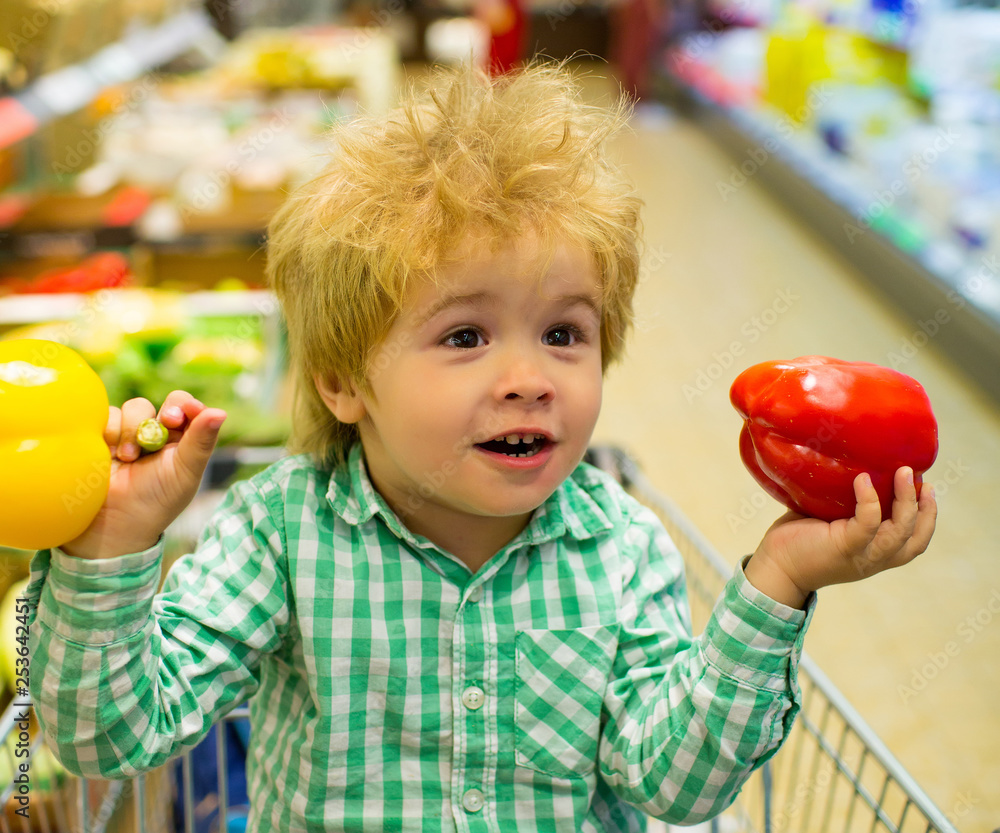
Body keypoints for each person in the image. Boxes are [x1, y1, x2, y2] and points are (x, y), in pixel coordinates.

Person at [26, 62, 936, 832]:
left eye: (565, 334)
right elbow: (112, 739)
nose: (529, 376)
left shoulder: (620, 550)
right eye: (465, 338)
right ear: (343, 382)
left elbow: (677, 783)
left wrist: (777, 577)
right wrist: (113, 547)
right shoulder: (280, 534)